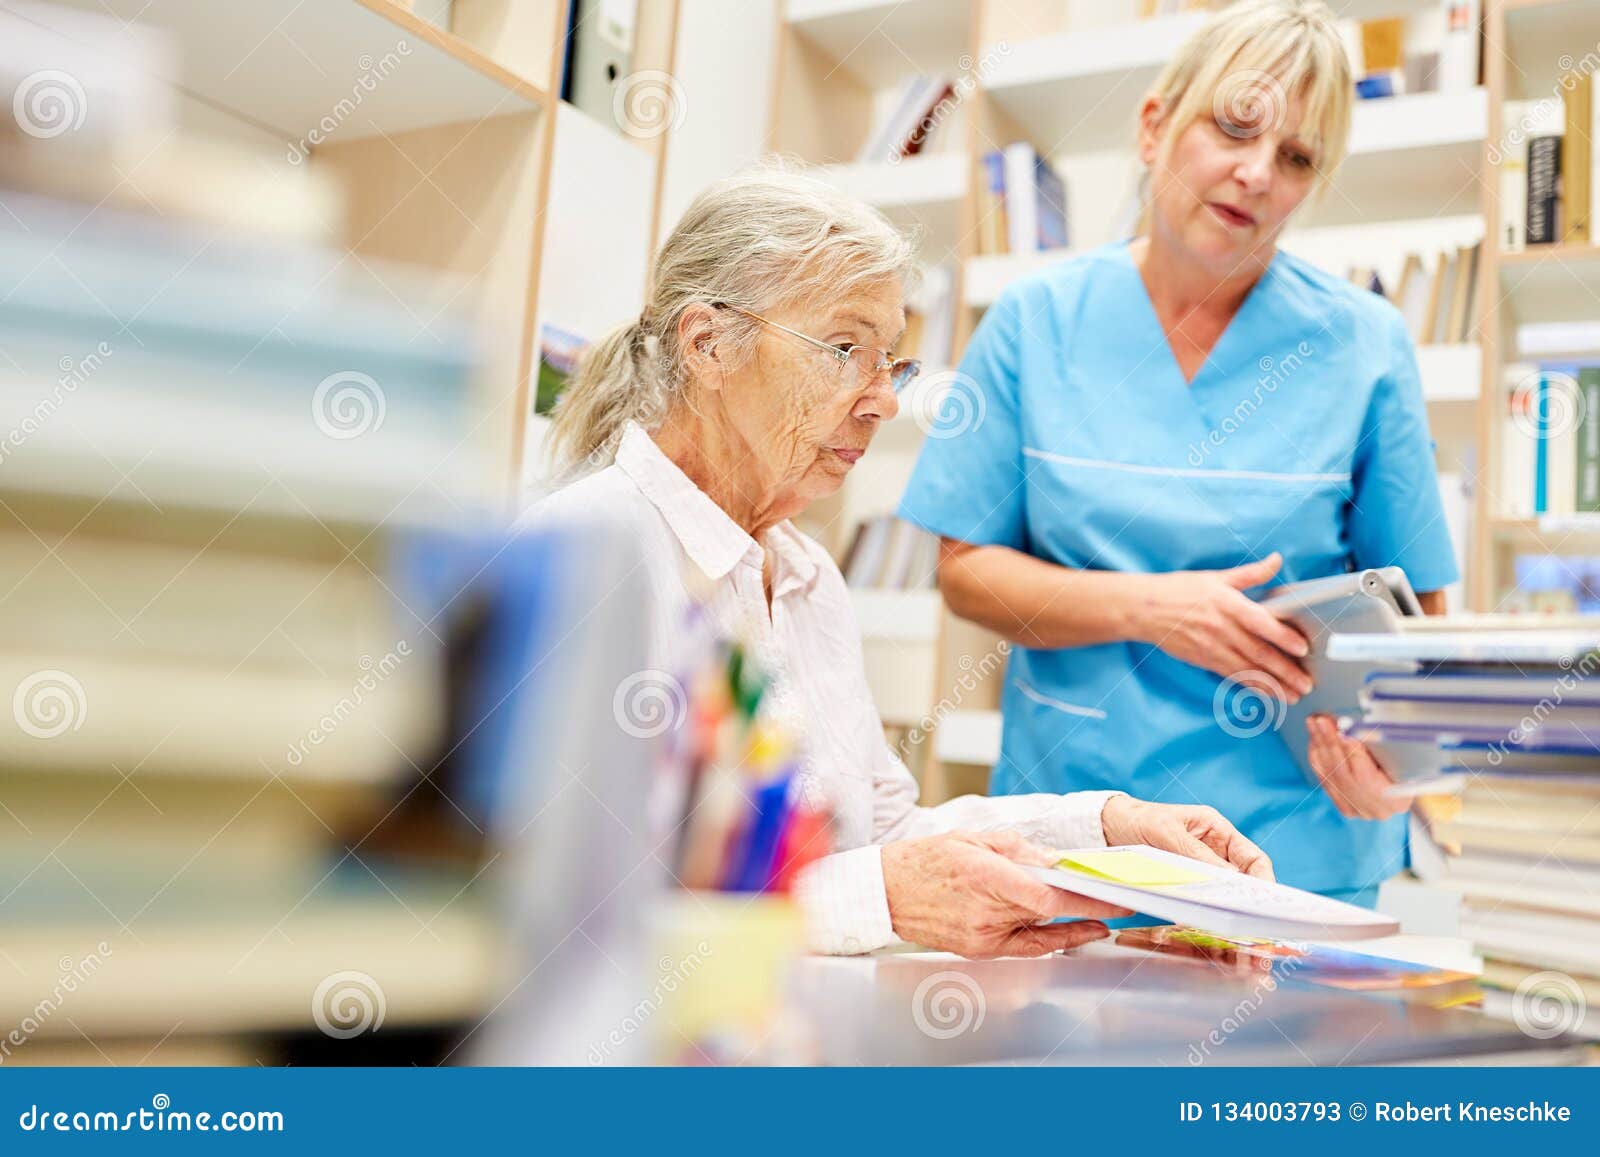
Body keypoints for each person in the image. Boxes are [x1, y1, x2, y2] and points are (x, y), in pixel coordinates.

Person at [531, 162, 1272, 958]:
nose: (882, 398)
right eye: (844, 347)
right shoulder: (579, 561)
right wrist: (882, 895)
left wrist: (1109, 830)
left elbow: (886, 833)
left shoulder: (811, 581)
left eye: (890, 360)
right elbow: (576, 908)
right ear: (708, 345)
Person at [896, 0, 1456, 907]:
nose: (1257, 173)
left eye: (1297, 157)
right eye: (1234, 127)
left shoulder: (1364, 343)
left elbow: (1417, 619)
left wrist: (1394, 771)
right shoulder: (1035, 324)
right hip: (1076, 840)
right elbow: (965, 573)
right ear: (1155, 126)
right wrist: (1153, 610)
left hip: (1296, 859)